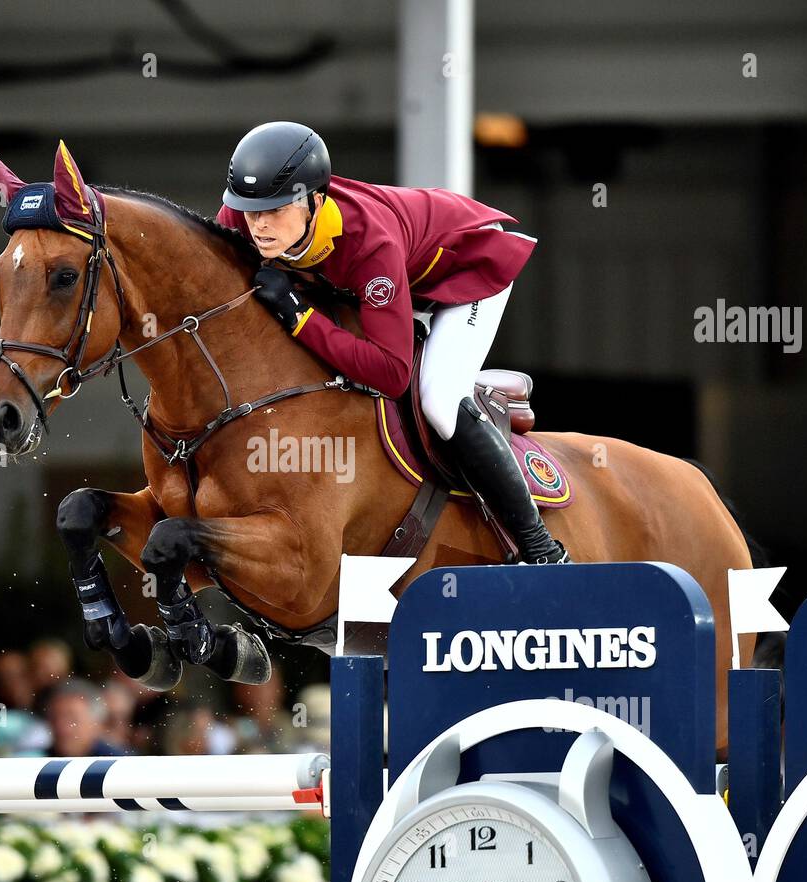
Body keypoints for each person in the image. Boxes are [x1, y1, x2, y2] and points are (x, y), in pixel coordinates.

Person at [217, 121, 569, 565]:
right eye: (250, 210)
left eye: (276, 210)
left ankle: (540, 548)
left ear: (315, 201)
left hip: (467, 269)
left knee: (438, 400)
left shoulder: (369, 244)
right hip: (397, 279)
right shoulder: (242, 218)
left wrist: (299, 316)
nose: (259, 226)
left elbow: (391, 373)